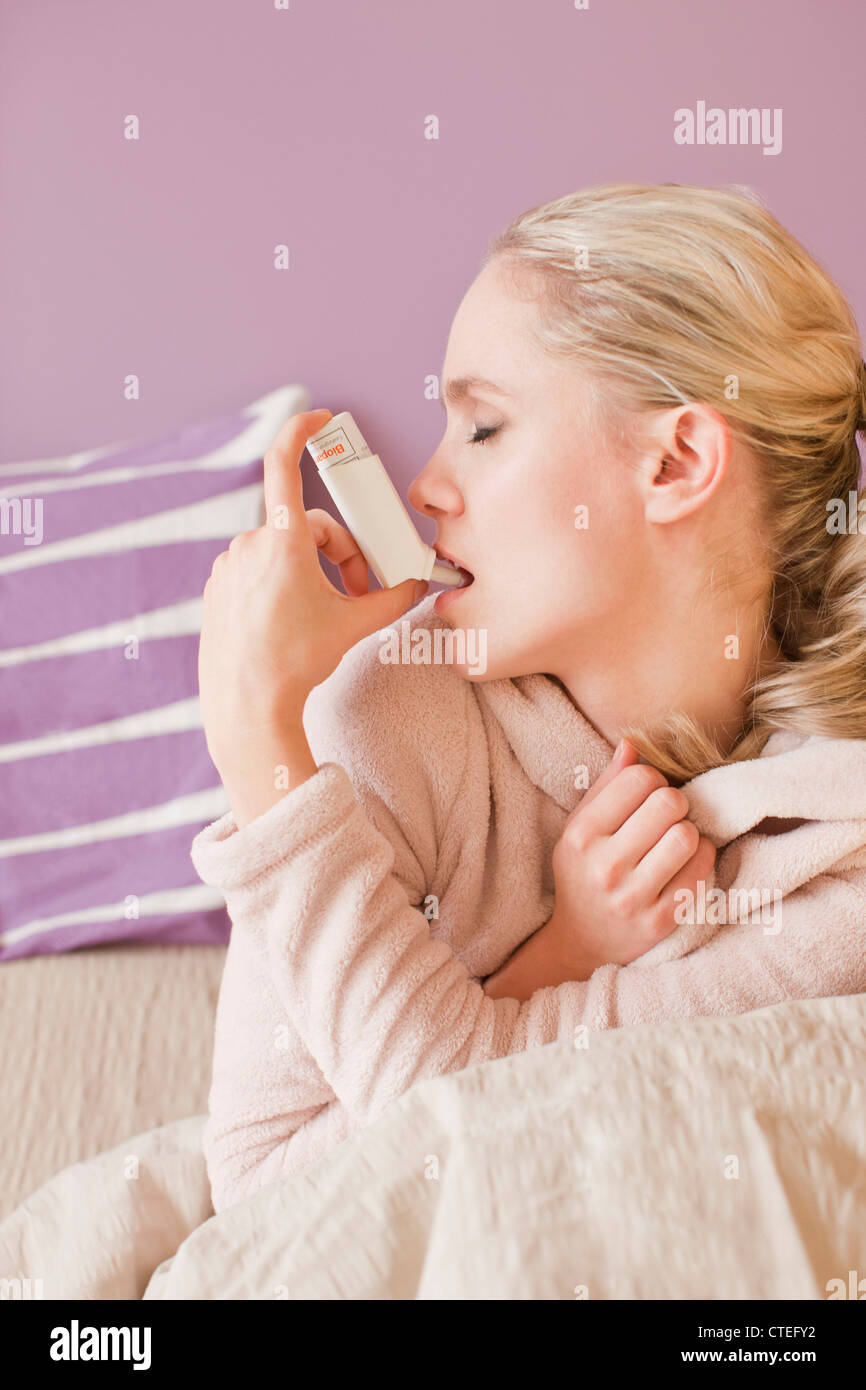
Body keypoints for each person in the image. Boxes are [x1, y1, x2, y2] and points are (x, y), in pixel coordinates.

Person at [193, 183, 866, 1212]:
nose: (426, 485)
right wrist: (559, 956)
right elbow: (262, 1209)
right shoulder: (371, 718)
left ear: (675, 461)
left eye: (484, 426)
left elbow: (517, 1162)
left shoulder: (834, 832)